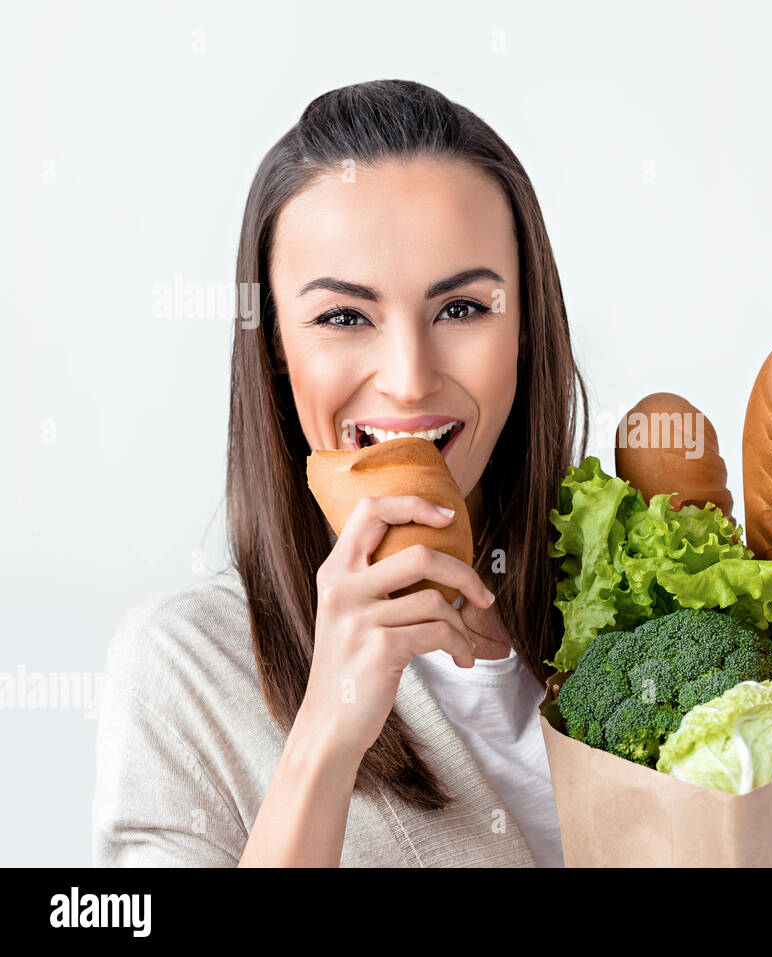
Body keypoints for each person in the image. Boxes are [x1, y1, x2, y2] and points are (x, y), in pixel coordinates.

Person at [92, 79, 588, 867]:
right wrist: (326, 729)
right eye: (344, 317)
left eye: (461, 308)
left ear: (527, 323)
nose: (408, 378)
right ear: (277, 346)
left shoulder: (631, 605)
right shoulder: (184, 667)